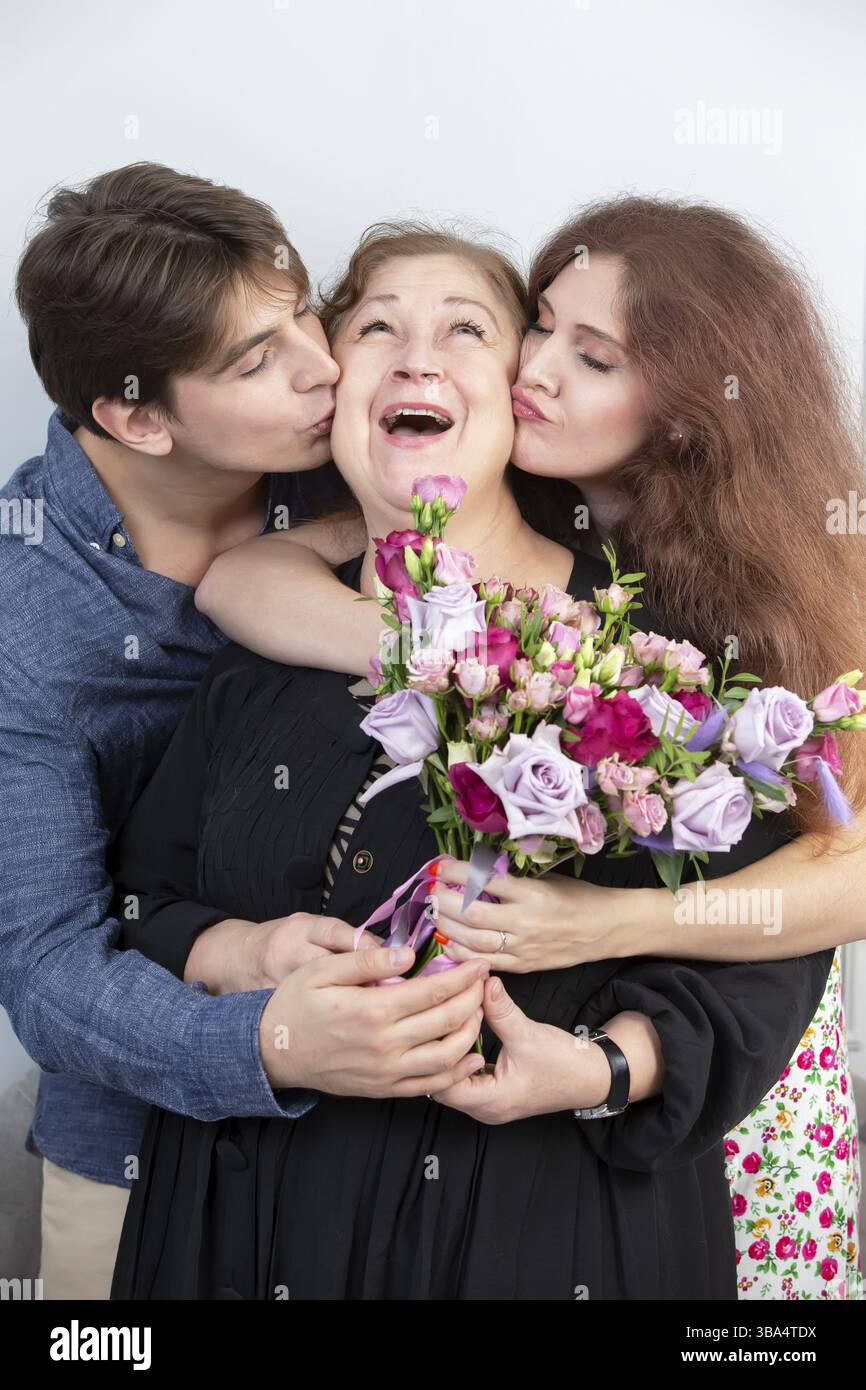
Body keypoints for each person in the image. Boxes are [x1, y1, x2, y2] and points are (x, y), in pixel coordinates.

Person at [109, 226, 832, 1299]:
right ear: (331, 383)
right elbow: (141, 901)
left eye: (465, 329)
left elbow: (763, 953)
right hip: (242, 1227)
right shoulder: (258, 637)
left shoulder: (659, 660)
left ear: (511, 396)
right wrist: (242, 950)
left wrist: (598, 1067)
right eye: (376, 328)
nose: (414, 356)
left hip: (547, 1232)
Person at [0, 165, 482, 1298]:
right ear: (132, 415)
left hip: (406, 1163)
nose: (323, 367)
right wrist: (265, 1040)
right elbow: (47, 964)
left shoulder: (345, 451)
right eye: (257, 360)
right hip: (138, 1145)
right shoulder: (26, 617)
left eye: (304, 315)